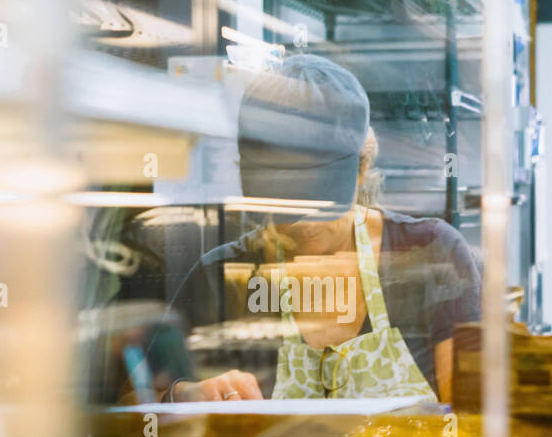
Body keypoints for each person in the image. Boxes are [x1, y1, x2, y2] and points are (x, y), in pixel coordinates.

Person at [165, 54, 481, 402]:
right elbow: (133, 397)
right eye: (285, 199)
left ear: (361, 169)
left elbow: (471, 415)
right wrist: (186, 394)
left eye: (319, 198)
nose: (303, 221)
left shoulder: (431, 253)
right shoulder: (222, 275)